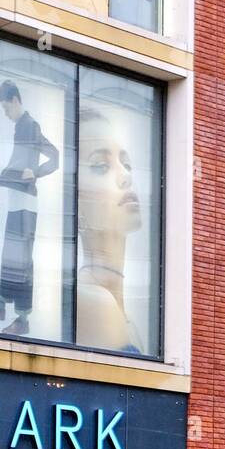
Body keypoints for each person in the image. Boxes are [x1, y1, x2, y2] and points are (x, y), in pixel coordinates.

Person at [76, 105, 145, 353]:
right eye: (100, 166)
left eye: (126, 164)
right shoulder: (94, 303)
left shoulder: (127, 319)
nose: (125, 176)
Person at [0, 81, 59, 338]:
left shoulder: (30, 125)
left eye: (6, 107)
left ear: (15, 100)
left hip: (25, 202)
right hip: (17, 200)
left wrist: (36, 172)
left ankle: (22, 317)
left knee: (21, 257)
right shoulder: (22, 125)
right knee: (12, 253)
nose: (5, 113)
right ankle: (6, 301)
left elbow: (55, 157)